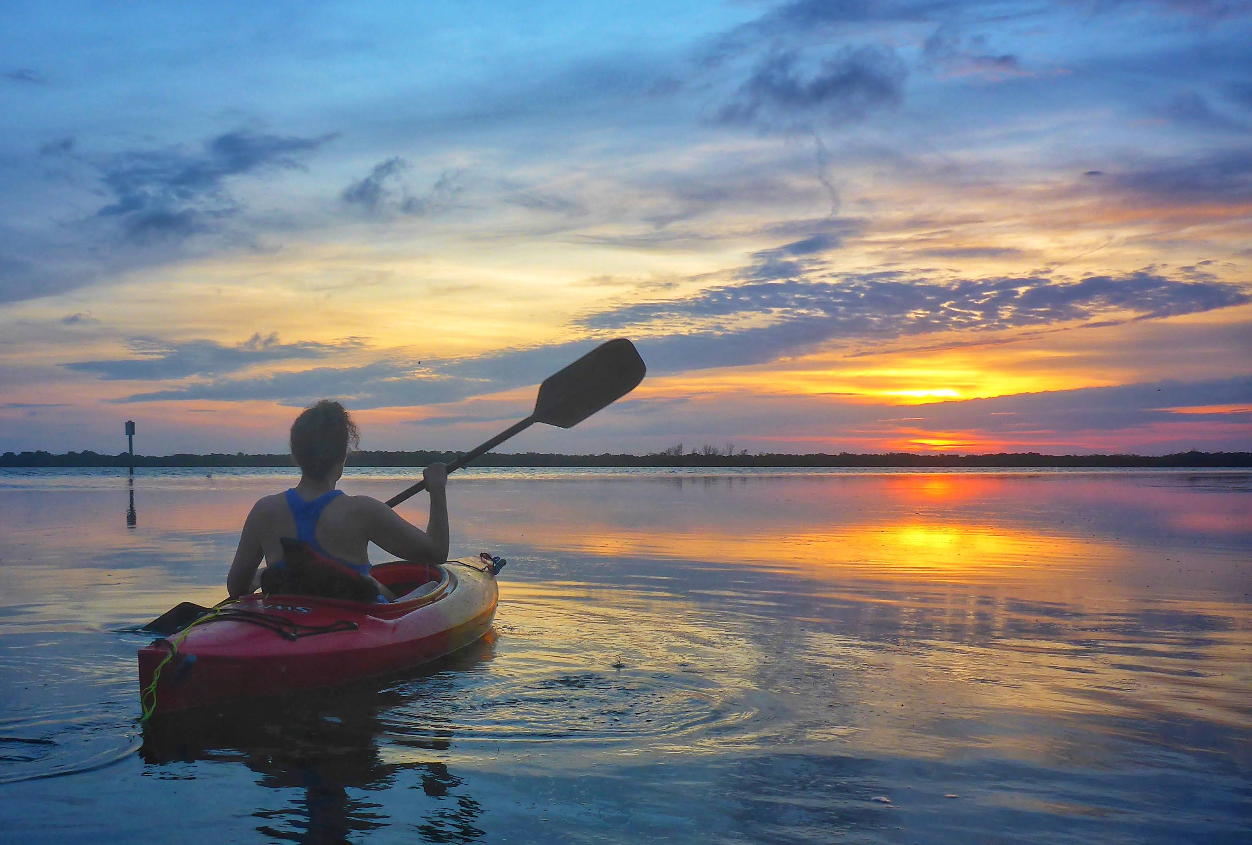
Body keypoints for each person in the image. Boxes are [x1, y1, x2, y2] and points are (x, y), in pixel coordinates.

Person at [227, 399, 449, 601]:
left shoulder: (264, 511)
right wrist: (437, 489)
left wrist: (263, 574)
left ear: (295, 455)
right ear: (343, 456)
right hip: (354, 624)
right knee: (425, 587)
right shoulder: (362, 511)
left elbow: (236, 587)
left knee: (375, 584)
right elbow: (436, 552)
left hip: (289, 624)